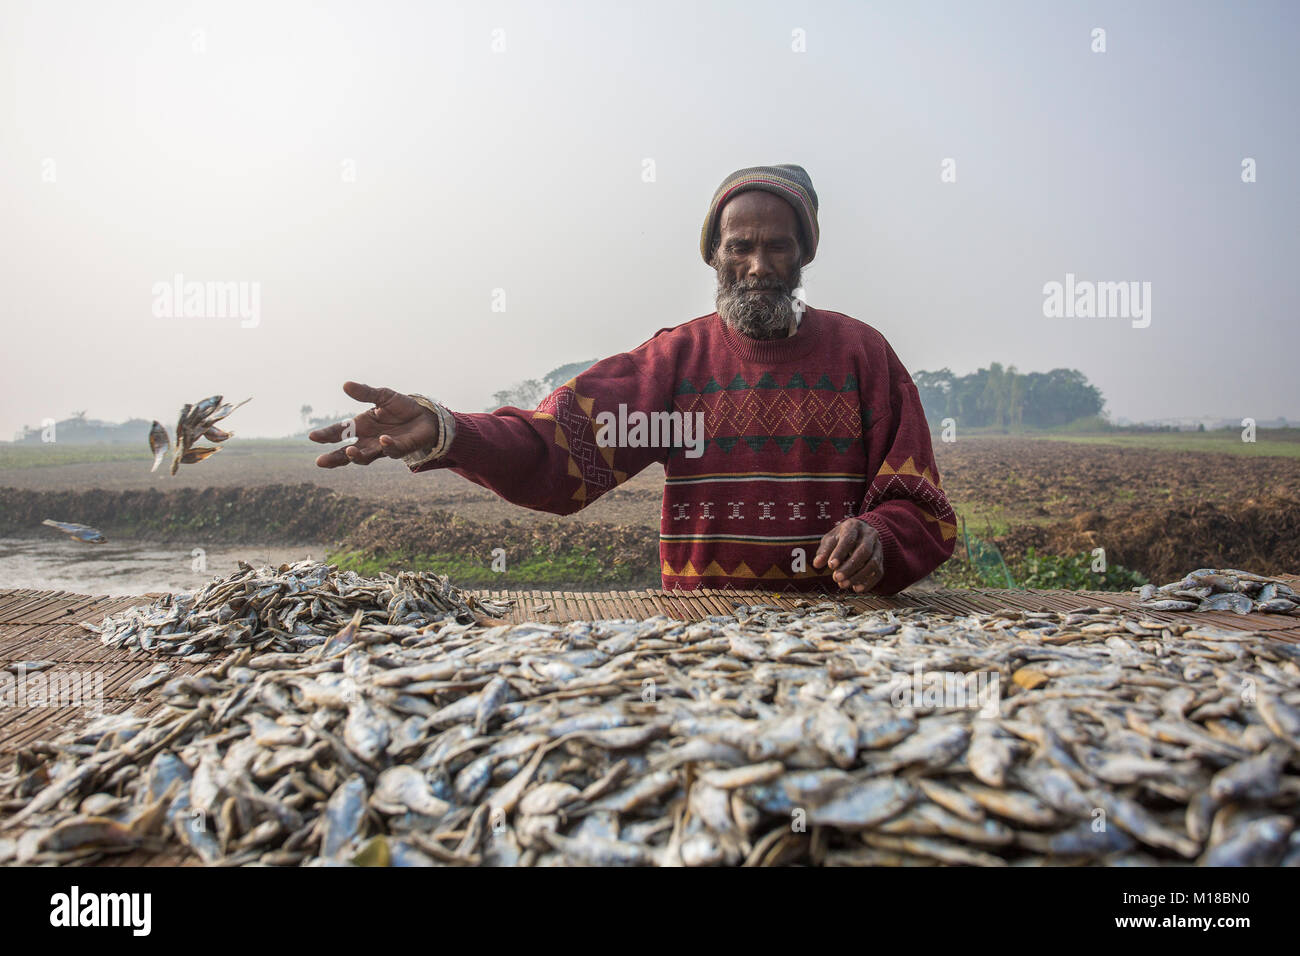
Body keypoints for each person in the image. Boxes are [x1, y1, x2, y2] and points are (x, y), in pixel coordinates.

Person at [312, 164, 955, 594]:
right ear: (714, 255)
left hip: (840, 642)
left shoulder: (862, 357)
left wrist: (879, 538)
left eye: (777, 246)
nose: (758, 265)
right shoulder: (674, 365)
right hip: (704, 632)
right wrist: (446, 431)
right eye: (739, 247)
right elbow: (554, 450)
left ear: (804, 253)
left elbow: (921, 508)